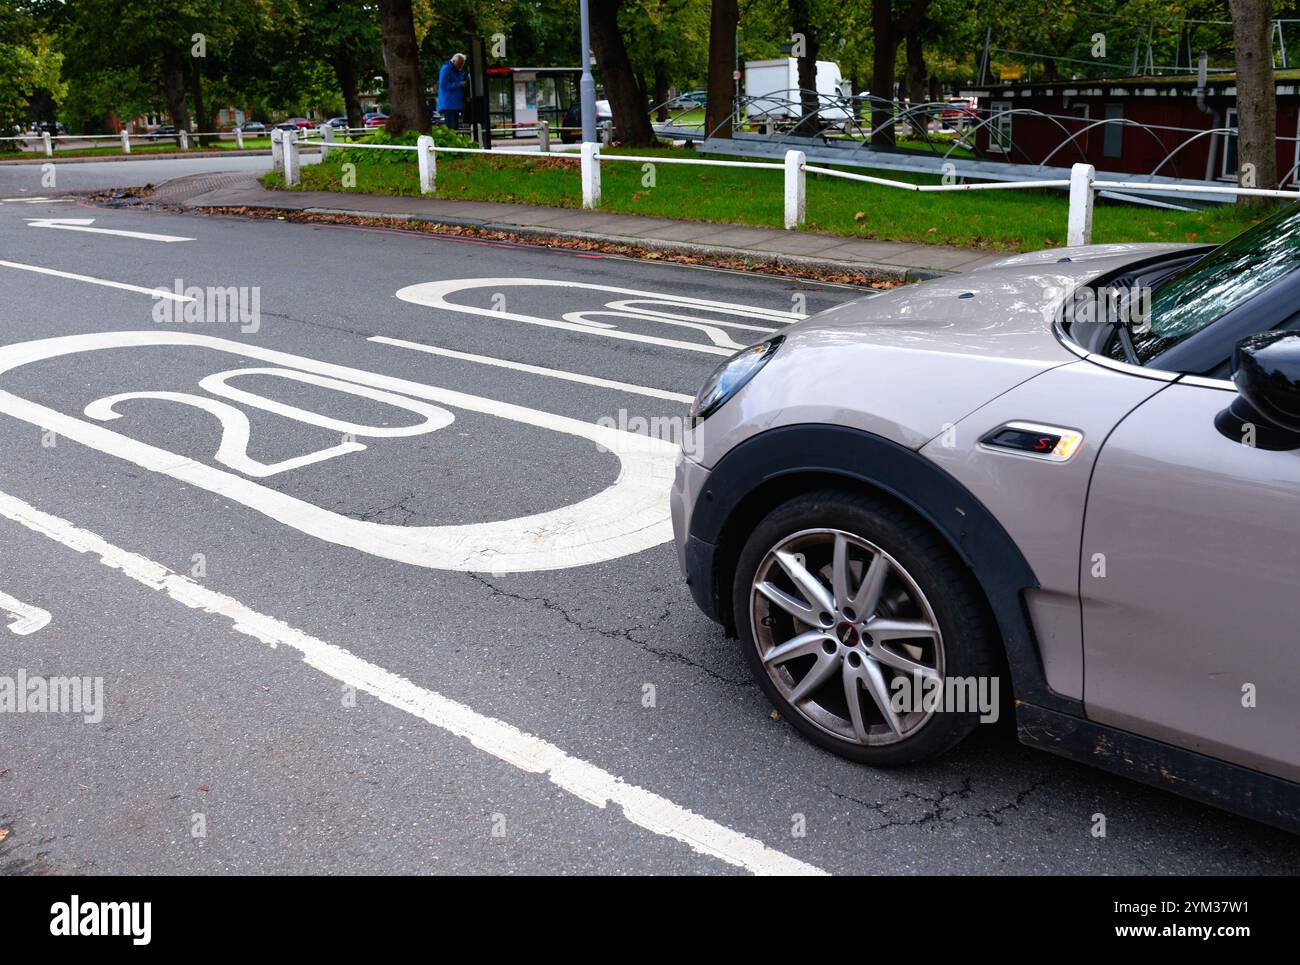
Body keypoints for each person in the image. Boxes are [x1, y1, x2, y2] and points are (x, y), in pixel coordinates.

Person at [437, 53, 468, 132]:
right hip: (449, 104)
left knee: (454, 128)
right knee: (451, 128)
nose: (461, 66)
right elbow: (443, 85)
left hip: (455, 104)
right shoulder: (446, 68)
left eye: (462, 64)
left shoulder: (458, 71)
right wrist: (459, 84)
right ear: (454, 61)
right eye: (460, 64)